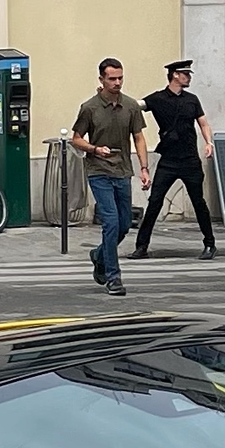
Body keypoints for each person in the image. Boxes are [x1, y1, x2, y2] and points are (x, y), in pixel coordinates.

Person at [69, 57, 148, 297]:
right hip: (99, 171)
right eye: (112, 78)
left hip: (123, 171)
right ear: (101, 79)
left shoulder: (131, 106)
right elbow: (76, 138)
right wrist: (94, 148)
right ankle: (113, 277)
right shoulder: (90, 107)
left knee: (124, 224)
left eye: (120, 78)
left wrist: (144, 168)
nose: (117, 83)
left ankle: (99, 254)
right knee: (111, 222)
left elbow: (139, 137)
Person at [132, 59, 216, 259]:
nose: (188, 77)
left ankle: (210, 244)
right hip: (168, 161)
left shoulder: (192, 100)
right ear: (175, 75)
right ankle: (141, 247)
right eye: (185, 73)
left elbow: (203, 123)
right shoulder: (158, 99)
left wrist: (209, 142)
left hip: (190, 161)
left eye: (189, 74)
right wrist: (108, 97)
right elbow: (134, 107)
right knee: (155, 202)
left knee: (199, 203)